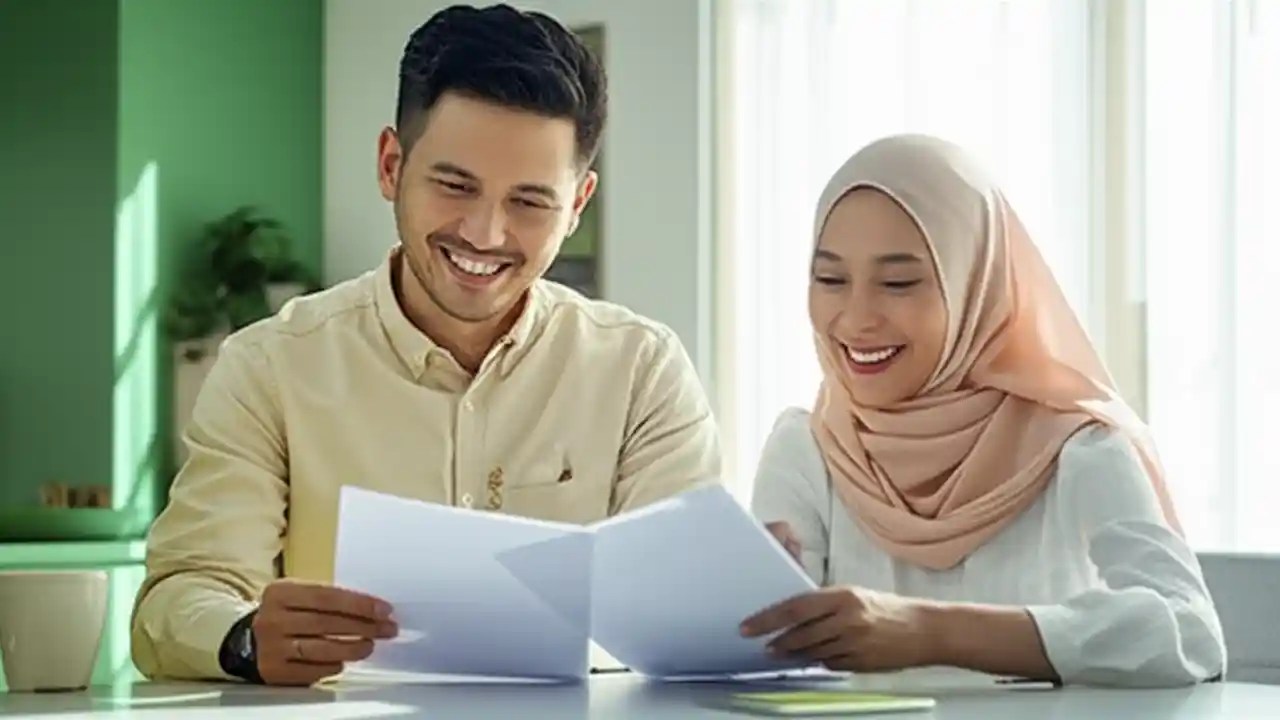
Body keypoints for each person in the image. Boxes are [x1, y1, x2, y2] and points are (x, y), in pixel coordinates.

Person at [131, 4, 719, 686]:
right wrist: (242, 637)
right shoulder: (269, 366)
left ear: (578, 202)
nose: (485, 233)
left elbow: (682, 617)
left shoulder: (641, 371)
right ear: (390, 164)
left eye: (529, 201)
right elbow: (173, 605)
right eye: (454, 184)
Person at [740, 134, 1226, 687]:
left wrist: (931, 632)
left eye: (899, 283)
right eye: (830, 280)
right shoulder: (808, 448)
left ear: (975, 283)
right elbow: (768, 657)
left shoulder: (1076, 446)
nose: (856, 319)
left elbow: (1191, 635)